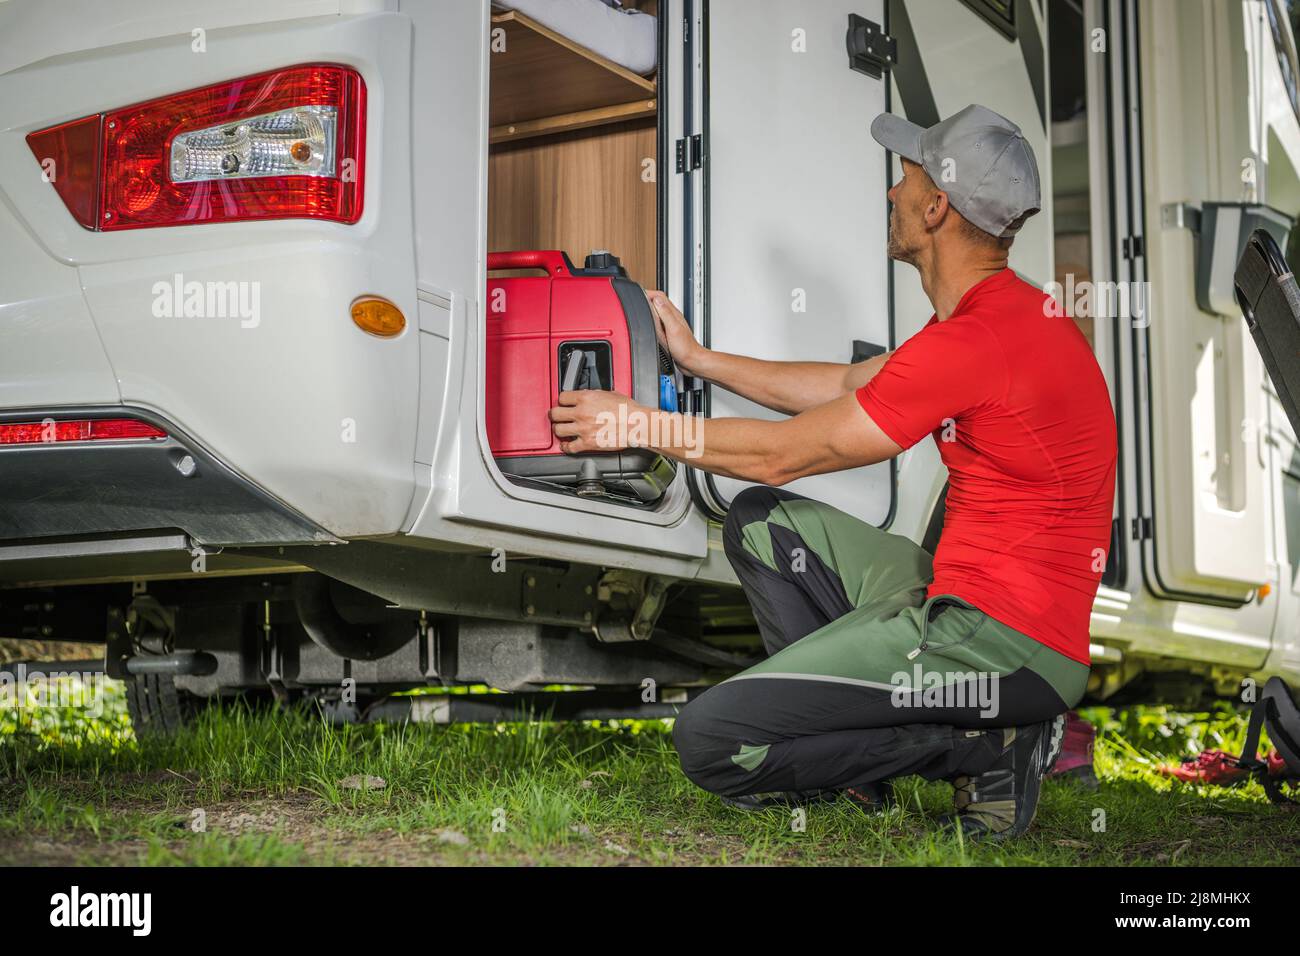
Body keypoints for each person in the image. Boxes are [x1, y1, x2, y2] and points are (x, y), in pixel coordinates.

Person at [548, 104, 1118, 839]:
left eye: (905, 178)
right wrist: (700, 359)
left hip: (1005, 645)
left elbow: (786, 452)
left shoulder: (978, 341)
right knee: (760, 522)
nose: (892, 192)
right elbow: (846, 386)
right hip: (969, 599)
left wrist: (633, 424)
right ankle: (864, 773)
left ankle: (989, 742)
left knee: (714, 742)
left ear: (937, 207)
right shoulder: (1003, 318)